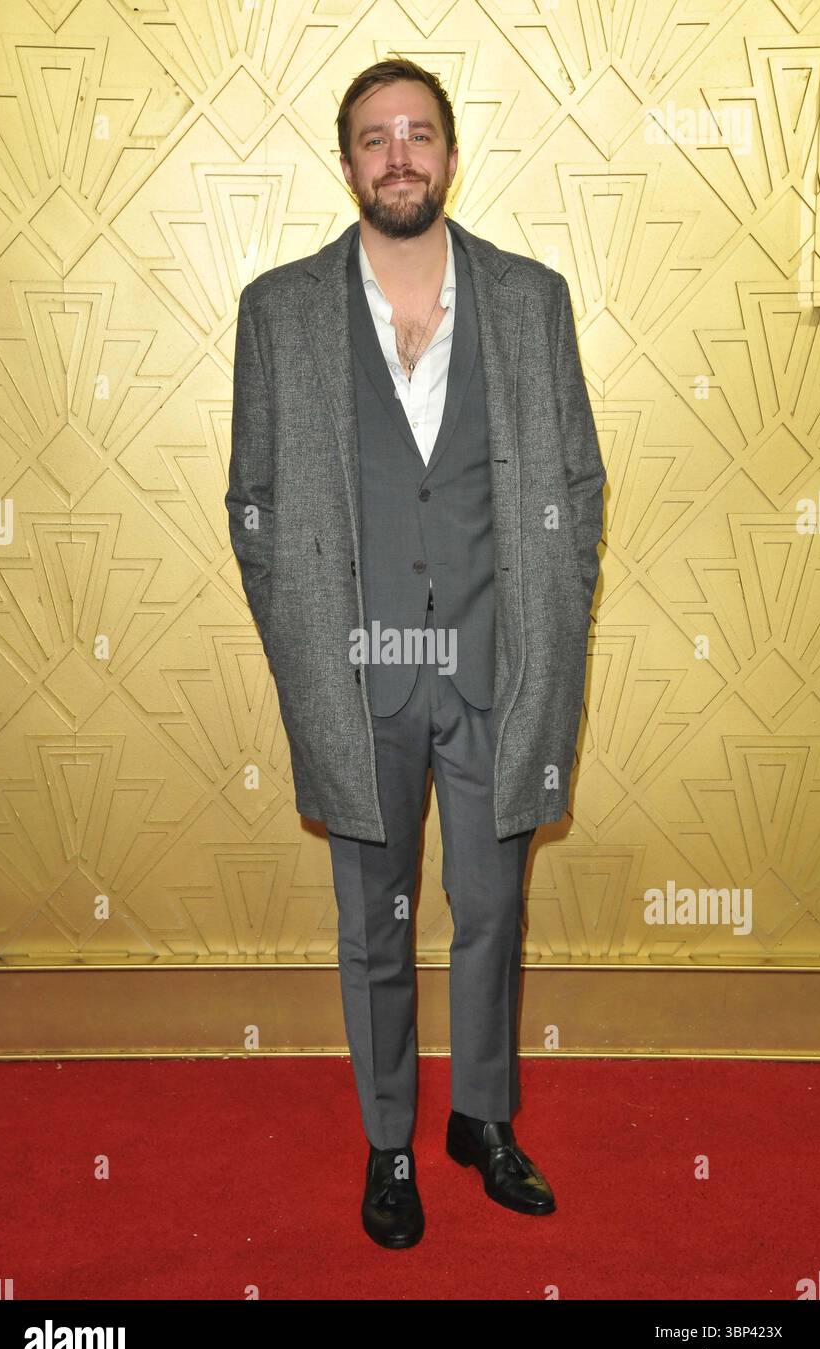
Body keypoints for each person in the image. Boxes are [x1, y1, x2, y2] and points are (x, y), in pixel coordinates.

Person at [225, 57, 606, 1249]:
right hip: (358, 679)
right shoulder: (279, 311)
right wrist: (304, 650)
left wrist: (556, 612)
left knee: (493, 911)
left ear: (449, 151)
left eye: (419, 132)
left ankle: (481, 1119)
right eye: (375, 137)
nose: (400, 154)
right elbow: (253, 503)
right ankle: (389, 1137)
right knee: (373, 924)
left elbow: (579, 482)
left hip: (500, 669)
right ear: (347, 163)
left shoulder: (531, 300)